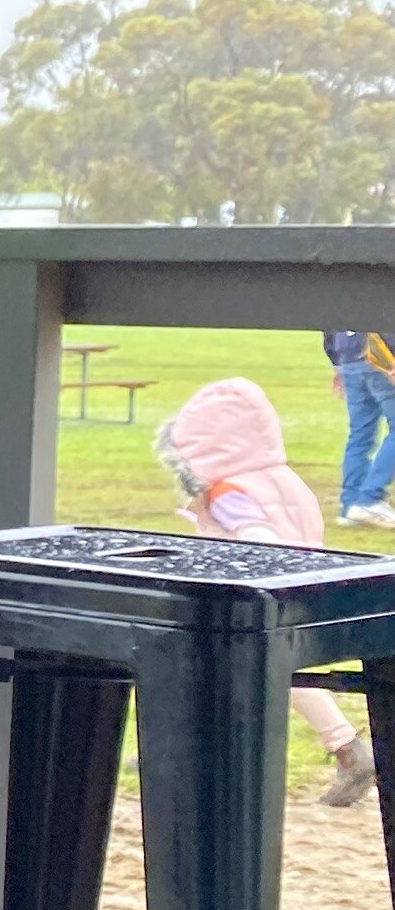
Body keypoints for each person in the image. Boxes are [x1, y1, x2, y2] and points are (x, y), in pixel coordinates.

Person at [156, 378, 379, 805]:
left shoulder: (228, 492)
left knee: (260, 675)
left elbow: (258, 540)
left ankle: (349, 749)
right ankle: (176, 749)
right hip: (301, 593)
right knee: (214, 675)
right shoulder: (283, 479)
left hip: (259, 607)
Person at [324, 330, 395, 528]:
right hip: (381, 356)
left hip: (348, 357)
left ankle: (350, 506)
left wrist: (337, 363)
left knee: (360, 435)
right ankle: (370, 499)